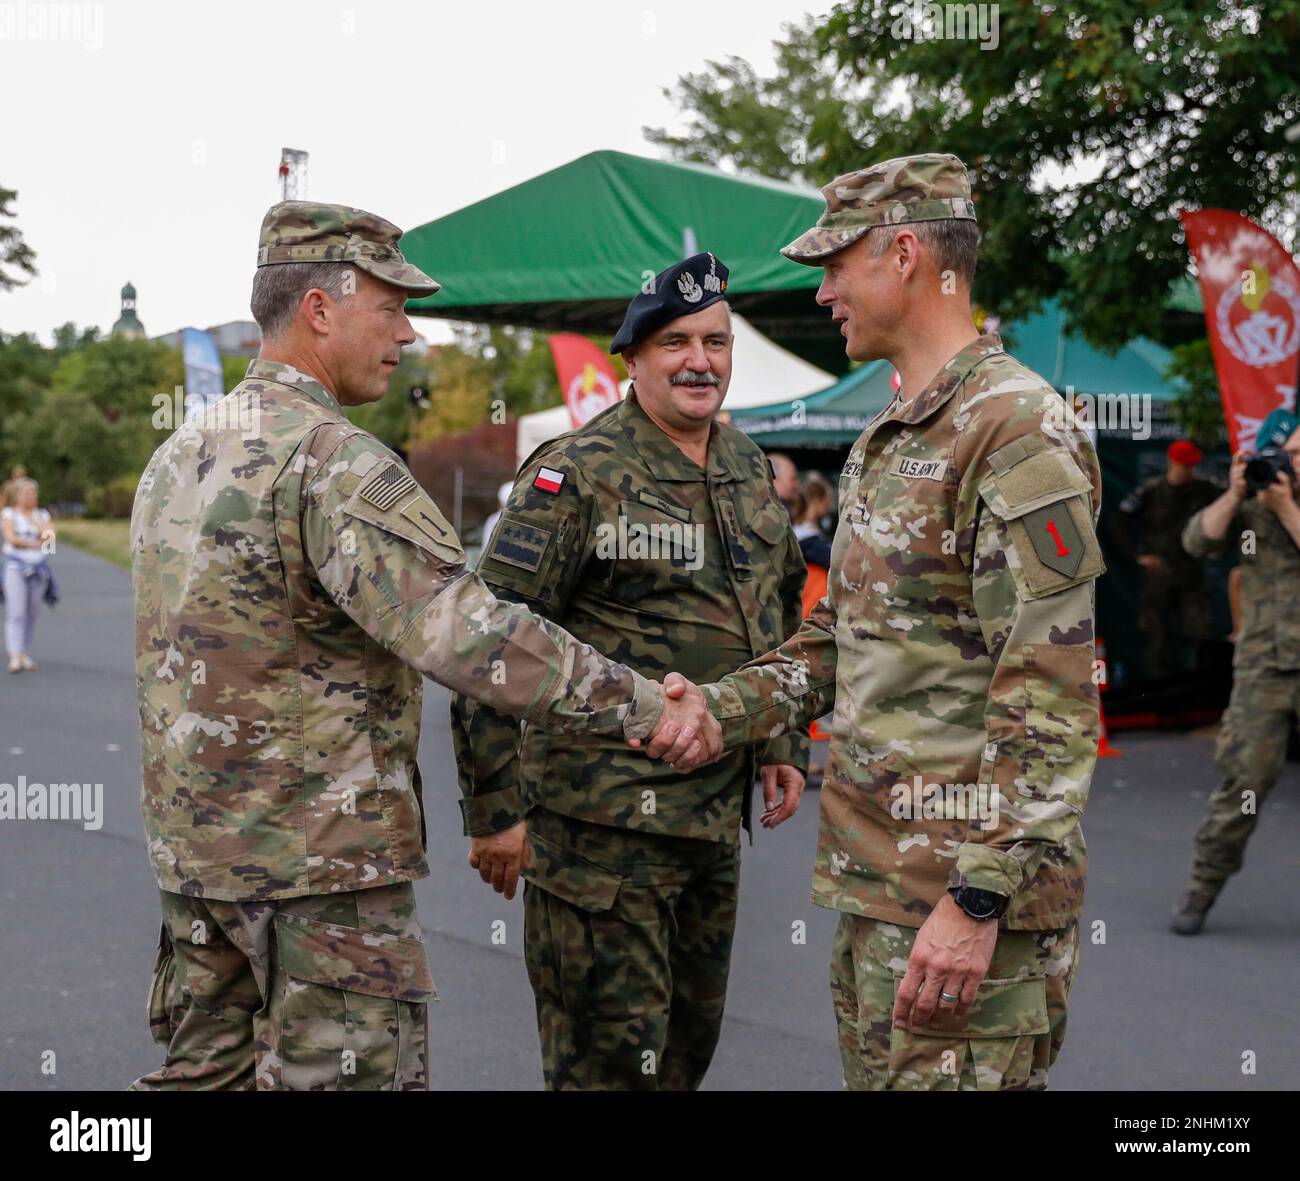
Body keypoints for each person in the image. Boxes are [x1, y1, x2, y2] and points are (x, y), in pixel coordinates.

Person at [129, 201, 719, 1092]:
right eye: (391, 304)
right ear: (321, 309)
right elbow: (472, 634)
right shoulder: (336, 461)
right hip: (322, 881)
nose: (408, 331)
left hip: (200, 874)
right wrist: (646, 705)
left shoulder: (177, 456)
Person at [649, 152, 1105, 1091]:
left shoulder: (1015, 427)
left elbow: (1051, 691)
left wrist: (977, 900)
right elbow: (842, 637)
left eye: (834, 264)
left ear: (903, 255)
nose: (821, 293)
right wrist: (722, 710)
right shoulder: (893, 434)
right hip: (881, 890)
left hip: (965, 903)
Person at [451, 252, 809, 1091]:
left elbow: (778, 608)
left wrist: (778, 737)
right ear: (635, 358)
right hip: (599, 839)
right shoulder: (573, 474)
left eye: (716, 342)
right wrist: (494, 812)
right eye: (677, 341)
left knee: (685, 1055)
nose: (701, 360)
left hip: (710, 830)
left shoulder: (749, 466)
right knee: (609, 1072)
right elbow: (487, 641)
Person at [1170, 408, 1300, 934]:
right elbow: (1196, 542)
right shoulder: (1253, 506)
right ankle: (1202, 887)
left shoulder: (1283, 505)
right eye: (1287, 454)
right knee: (1243, 782)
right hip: (1265, 667)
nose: (1291, 464)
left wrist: (1287, 507)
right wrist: (1236, 493)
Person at [1113, 439, 1219, 678]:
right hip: (1158, 576)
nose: (1189, 471)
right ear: (1172, 463)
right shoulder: (1150, 491)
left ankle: (1199, 690)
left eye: (1192, 466)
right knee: (1157, 638)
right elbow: (1120, 523)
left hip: (1191, 573)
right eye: (1184, 465)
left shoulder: (1205, 490)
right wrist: (1138, 556)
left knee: (1199, 634)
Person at [2, 477, 55, 673]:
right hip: (15, 567)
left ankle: (24, 651)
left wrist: (36, 521)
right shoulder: (9, 514)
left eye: (33, 493)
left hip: (38, 568)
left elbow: (50, 541)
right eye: (26, 493)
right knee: (16, 612)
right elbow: (11, 539)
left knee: (32, 612)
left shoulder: (41, 514)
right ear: (17, 495)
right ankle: (14, 655)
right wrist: (35, 543)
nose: (30, 496)